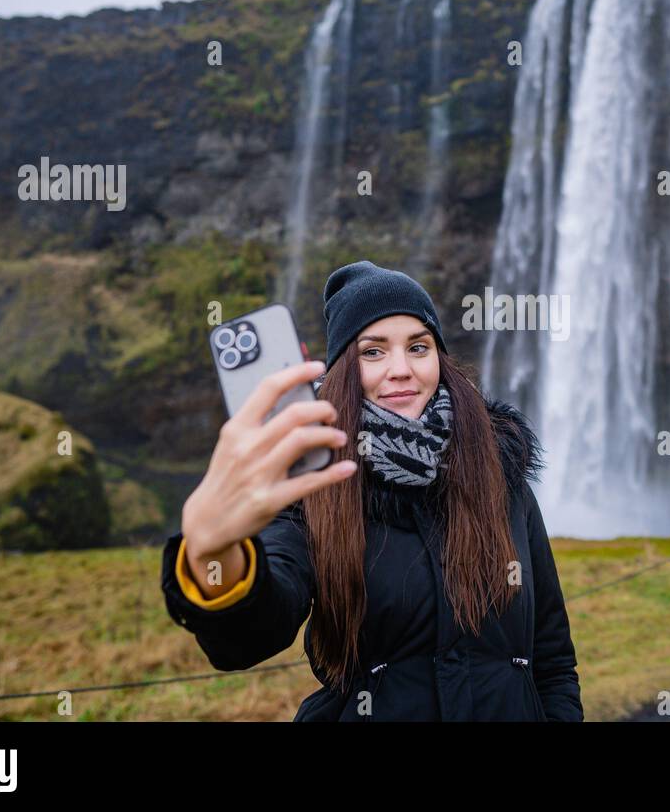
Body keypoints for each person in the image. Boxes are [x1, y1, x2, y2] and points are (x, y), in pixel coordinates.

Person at [160, 260, 583, 721]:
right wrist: (212, 551)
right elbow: (251, 635)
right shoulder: (314, 483)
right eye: (373, 352)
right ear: (344, 369)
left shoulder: (500, 470)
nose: (401, 369)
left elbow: (553, 659)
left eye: (418, 347)